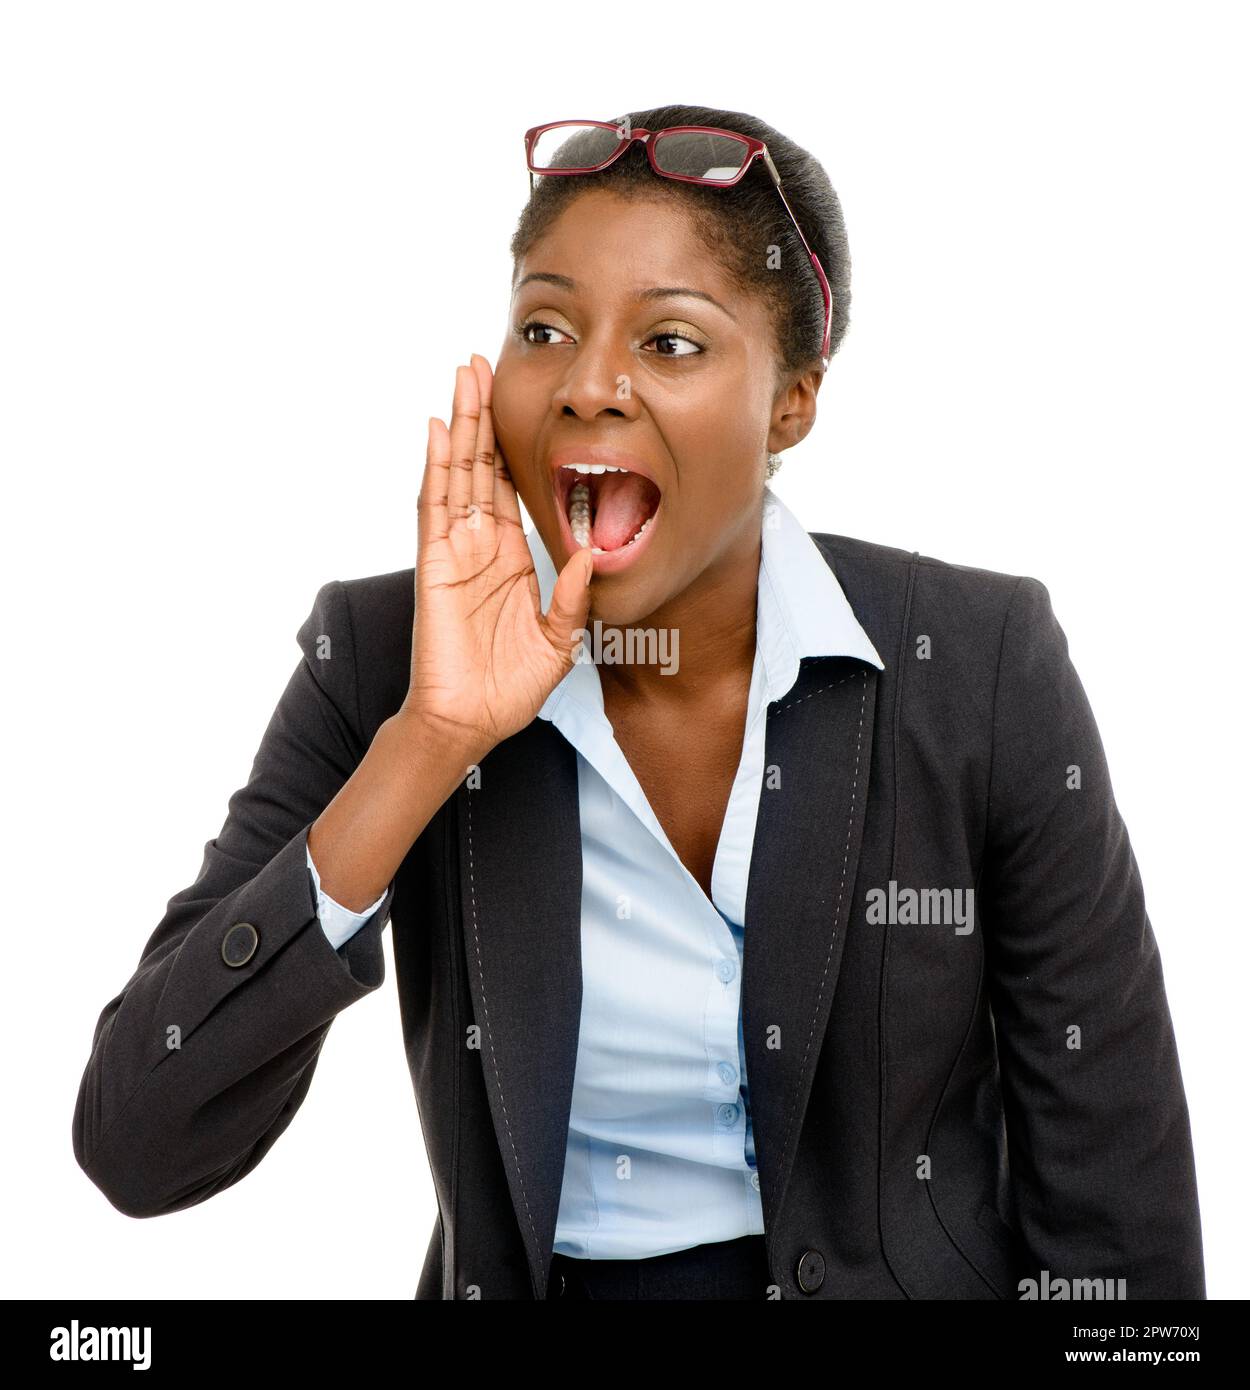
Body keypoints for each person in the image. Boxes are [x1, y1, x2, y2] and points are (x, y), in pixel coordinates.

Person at [72, 104, 1205, 1300]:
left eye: (669, 343)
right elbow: (134, 1144)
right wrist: (428, 743)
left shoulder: (975, 662)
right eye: (544, 326)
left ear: (791, 404)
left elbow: (1114, 1203)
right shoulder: (377, 658)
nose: (589, 385)